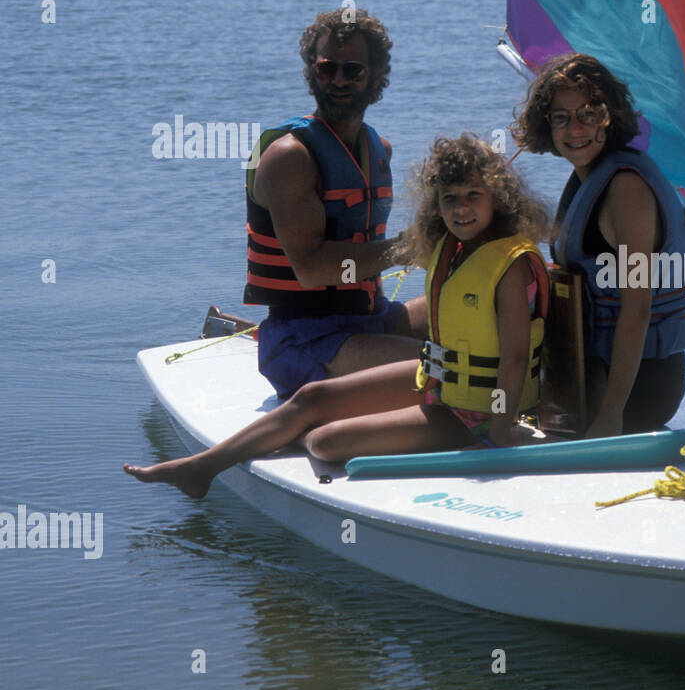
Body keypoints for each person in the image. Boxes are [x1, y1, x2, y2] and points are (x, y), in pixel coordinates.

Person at [126, 135, 551, 499]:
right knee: (313, 398)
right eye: (449, 199)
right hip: (437, 384)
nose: (461, 210)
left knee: (324, 442)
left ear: (498, 197)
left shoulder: (509, 265)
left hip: (473, 415)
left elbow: (514, 359)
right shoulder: (452, 248)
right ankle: (201, 467)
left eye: (474, 196)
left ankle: (352, 430)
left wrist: (498, 435)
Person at [511, 53, 685, 437]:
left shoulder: (625, 189)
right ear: (547, 126)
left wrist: (611, 415)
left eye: (589, 114)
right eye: (561, 117)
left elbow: (638, 310)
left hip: (638, 386)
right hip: (588, 369)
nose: (575, 128)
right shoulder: (589, 177)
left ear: (610, 116)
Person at [245, 8, 426, 399]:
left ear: (376, 75)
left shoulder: (380, 150)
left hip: (371, 320)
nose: (339, 80)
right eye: (327, 69)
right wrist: (406, 248)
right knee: (443, 369)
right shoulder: (290, 157)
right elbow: (310, 270)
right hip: (303, 337)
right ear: (312, 72)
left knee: (498, 314)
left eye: (353, 70)